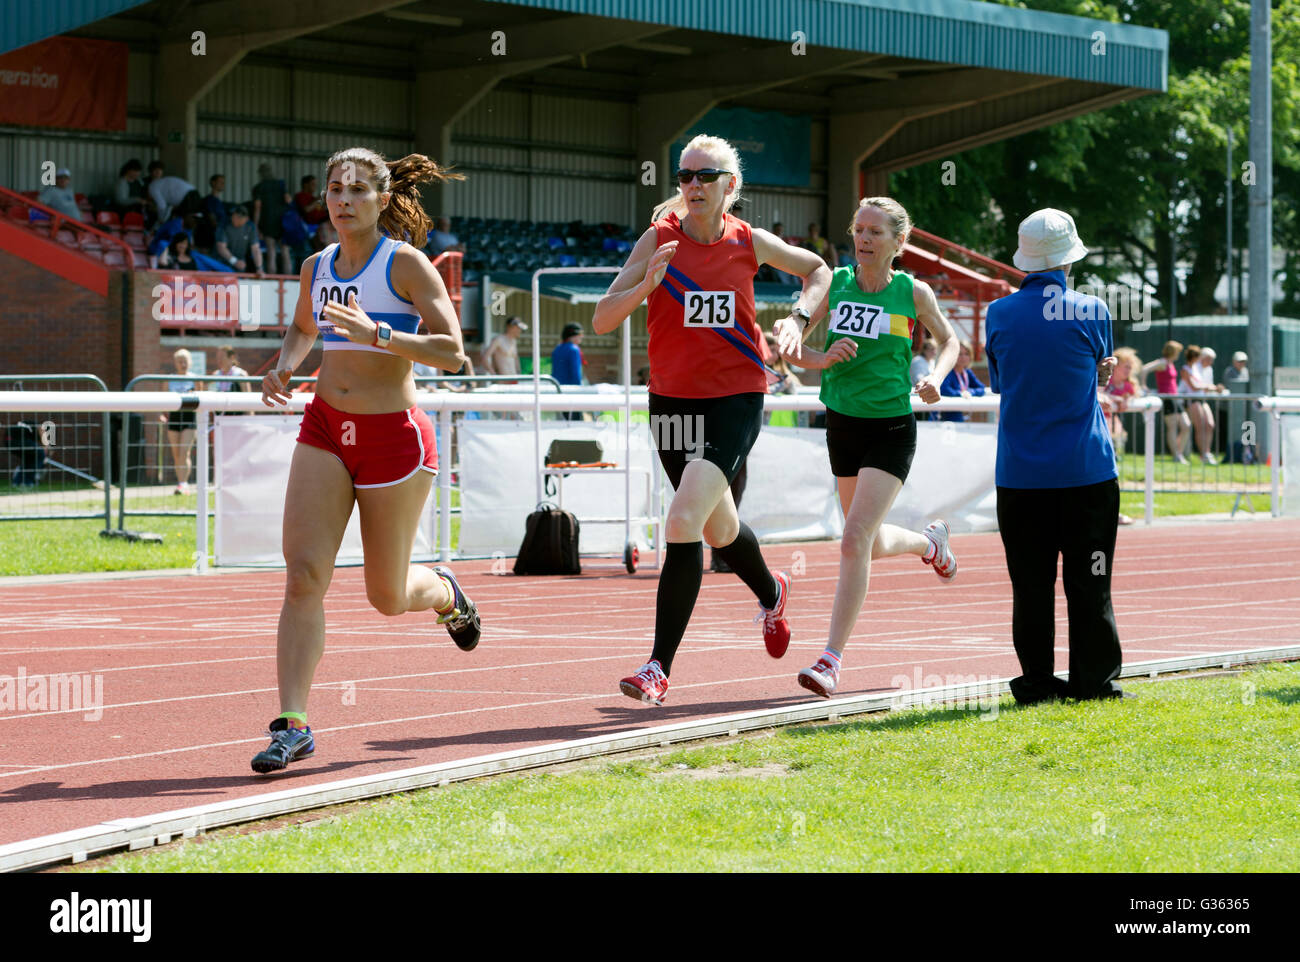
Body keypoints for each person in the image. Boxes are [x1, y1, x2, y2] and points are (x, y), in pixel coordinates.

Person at [251, 146, 480, 774]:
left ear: (382, 199)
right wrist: (285, 365)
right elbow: (303, 328)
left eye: (357, 190)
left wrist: (379, 334)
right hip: (326, 427)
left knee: (385, 594)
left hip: (394, 438)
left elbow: (452, 351)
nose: (343, 200)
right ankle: (292, 724)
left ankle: (441, 591)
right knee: (303, 576)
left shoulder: (404, 265)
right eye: (333, 189)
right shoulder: (315, 266)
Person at [592, 133, 833, 706]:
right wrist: (646, 284)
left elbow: (819, 269)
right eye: (685, 175)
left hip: (735, 399)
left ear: (731, 185)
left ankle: (657, 667)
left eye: (706, 175)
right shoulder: (659, 238)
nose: (693, 185)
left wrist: (798, 320)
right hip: (671, 403)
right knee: (717, 529)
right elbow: (603, 318)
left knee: (681, 521)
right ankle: (772, 591)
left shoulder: (749, 241)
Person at [783, 197, 960, 698]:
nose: (863, 238)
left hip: (890, 428)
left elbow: (950, 342)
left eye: (875, 232)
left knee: (852, 540)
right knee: (868, 541)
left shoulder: (913, 291)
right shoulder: (833, 284)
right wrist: (820, 354)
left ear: (899, 242)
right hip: (842, 423)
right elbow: (793, 349)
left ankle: (829, 660)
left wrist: (936, 379)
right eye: (858, 229)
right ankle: (930, 544)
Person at [983, 207, 1126, 704]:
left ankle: (1037, 683)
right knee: (1091, 581)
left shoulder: (997, 313)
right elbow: (1097, 369)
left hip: (1021, 475)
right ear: (1068, 261)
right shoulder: (1092, 309)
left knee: (1032, 585)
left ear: (1025, 260)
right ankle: (1095, 682)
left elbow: (1002, 381)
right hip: (1085, 471)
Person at [1142, 340, 1190, 463]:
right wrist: (1144, 386)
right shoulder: (1162, 362)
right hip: (1167, 398)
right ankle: (1177, 456)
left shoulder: (1170, 363)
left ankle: (1178, 452)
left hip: (1175, 397)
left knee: (1186, 425)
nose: (1178, 354)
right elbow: (1145, 369)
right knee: (1172, 427)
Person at [160, 349, 197, 495]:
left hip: (189, 419)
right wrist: (162, 414)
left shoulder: (195, 378)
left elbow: (201, 397)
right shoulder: (169, 379)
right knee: (176, 454)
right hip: (174, 419)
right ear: (175, 363)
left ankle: (183, 483)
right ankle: (180, 482)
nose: (183, 364)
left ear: (190, 362)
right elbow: (163, 399)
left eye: (185, 361)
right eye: (180, 361)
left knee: (184, 452)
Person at [252, 163, 293, 275]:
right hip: (283, 220)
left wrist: (255, 226)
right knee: (285, 251)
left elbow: (257, 207)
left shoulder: (258, 188)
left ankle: (273, 278)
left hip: (268, 221)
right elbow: (288, 200)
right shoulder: (281, 184)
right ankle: (288, 279)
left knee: (271, 250)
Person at [1180, 345, 1217, 464]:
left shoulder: (1199, 369)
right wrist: (1210, 387)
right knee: (1200, 426)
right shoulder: (1187, 368)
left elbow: (1202, 386)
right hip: (1191, 399)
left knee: (1210, 424)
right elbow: (1194, 386)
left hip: (1201, 399)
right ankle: (1203, 454)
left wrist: (1211, 388)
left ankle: (1207, 452)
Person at [938, 340, 986, 421]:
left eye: (966, 354)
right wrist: (960, 394)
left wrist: (970, 392)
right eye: (959, 354)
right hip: (945, 416)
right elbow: (944, 389)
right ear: (953, 355)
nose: (963, 357)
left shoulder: (967, 372)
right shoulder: (948, 371)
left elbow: (981, 388)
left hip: (959, 414)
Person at [1222, 350, 1253, 463]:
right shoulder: (1229, 371)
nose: (1242, 364)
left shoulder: (1246, 371)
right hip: (1232, 409)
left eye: (1243, 361)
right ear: (1234, 361)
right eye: (1239, 361)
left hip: (1244, 408)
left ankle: (1245, 454)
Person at [214, 206, 264, 274]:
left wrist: (259, 268)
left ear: (246, 219)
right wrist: (234, 261)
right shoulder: (223, 225)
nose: (234, 219)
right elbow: (221, 247)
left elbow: (256, 249)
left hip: (239, 265)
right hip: (221, 264)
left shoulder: (251, 227)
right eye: (233, 216)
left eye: (238, 217)